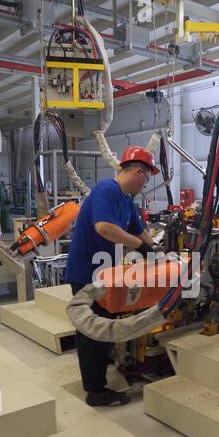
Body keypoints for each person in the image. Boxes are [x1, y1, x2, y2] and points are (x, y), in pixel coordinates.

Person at [65, 146, 158, 407]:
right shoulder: (107, 189)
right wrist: (139, 248)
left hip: (105, 274)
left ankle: (100, 365)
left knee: (105, 322)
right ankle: (95, 390)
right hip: (87, 272)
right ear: (139, 172)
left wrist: (157, 253)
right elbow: (104, 227)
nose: (146, 183)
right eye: (147, 177)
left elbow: (140, 233)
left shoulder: (127, 200)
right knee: (92, 330)